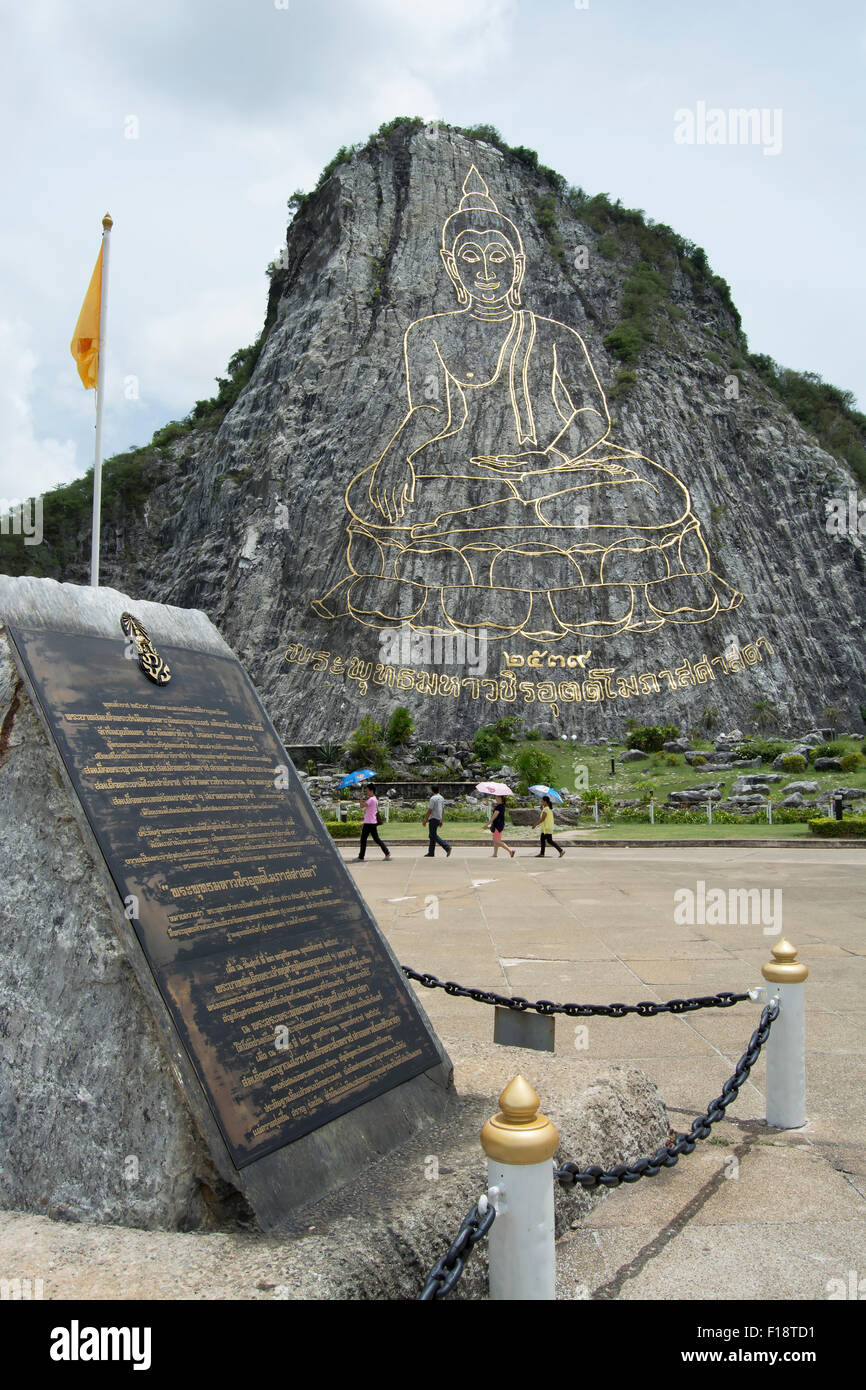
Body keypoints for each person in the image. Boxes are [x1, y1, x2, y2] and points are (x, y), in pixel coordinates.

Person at [314, 164, 741, 640]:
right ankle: (506, 526)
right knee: (383, 495)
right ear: (452, 265)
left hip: (559, 472)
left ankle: (482, 532)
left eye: (497, 257)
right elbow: (433, 411)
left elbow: (592, 416)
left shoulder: (556, 334)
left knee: (650, 493)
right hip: (470, 468)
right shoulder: (428, 332)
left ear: (516, 264)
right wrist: (397, 455)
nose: (485, 271)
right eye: (470, 257)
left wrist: (550, 457)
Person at [353, 783, 391, 861]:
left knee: (364, 840)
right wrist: (363, 823)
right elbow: (369, 813)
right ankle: (387, 853)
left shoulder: (371, 799)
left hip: (369, 823)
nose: (366, 792)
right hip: (370, 822)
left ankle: (361, 856)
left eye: (367, 790)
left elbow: (361, 806)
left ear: (371, 790)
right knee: (375, 839)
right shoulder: (374, 799)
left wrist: (361, 798)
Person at [423, 783, 452, 857]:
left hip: (433, 818)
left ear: (432, 791)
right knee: (432, 835)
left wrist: (425, 819)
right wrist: (441, 819)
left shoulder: (433, 798)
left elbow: (430, 810)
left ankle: (447, 847)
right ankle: (431, 852)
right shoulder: (441, 798)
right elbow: (442, 809)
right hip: (438, 818)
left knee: (433, 835)